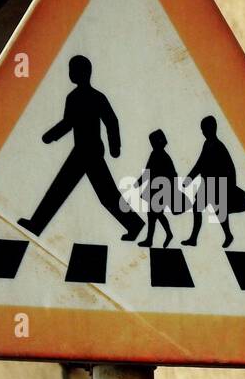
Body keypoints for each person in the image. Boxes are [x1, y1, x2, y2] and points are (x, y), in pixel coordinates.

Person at [17, 55, 145, 241]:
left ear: (85, 73)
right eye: (71, 70)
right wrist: (52, 135)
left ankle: (134, 224)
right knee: (69, 189)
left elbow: (111, 121)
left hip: (90, 151)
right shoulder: (74, 97)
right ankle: (37, 224)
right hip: (82, 150)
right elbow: (69, 123)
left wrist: (114, 147)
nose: (71, 74)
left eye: (74, 70)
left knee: (99, 194)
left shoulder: (95, 97)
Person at [182, 115, 245, 248]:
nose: (203, 131)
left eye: (204, 129)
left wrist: (229, 187)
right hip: (208, 185)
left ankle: (227, 235)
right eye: (202, 129)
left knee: (219, 212)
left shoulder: (217, 146)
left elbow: (229, 168)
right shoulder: (208, 144)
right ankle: (194, 238)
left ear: (211, 129)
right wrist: (189, 179)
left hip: (217, 185)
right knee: (200, 209)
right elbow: (200, 164)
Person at [136, 129, 181, 249]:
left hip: (160, 190)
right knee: (156, 214)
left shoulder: (159, 155)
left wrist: (138, 183)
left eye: (153, 141)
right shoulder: (157, 154)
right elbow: (148, 172)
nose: (152, 144)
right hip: (157, 189)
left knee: (152, 214)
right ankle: (167, 234)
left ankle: (151, 239)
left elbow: (148, 172)